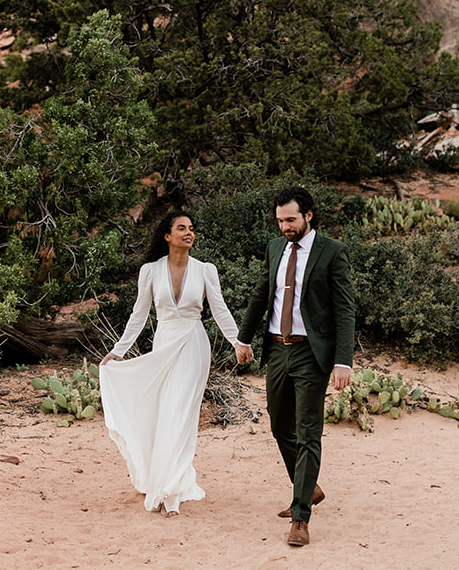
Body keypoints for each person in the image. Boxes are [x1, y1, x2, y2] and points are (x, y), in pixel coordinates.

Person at [100, 210, 253, 516]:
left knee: (182, 412)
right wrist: (118, 351)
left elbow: (220, 311)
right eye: (181, 228)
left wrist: (238, 341)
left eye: (191, 228)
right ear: (167, 236)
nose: (188, 233)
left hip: (194, 345)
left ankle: (171, 492)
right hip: (164, 345)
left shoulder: (206, 270)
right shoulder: (150, 271)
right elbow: (139, 315)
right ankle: (165, 480)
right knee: (166, 412)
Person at [238, 186, 355, 548]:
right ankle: (310, 486)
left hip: (311, 353)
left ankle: (301, 516)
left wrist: (343, 361)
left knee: (308, 433)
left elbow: (344, 309)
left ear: (309, 216)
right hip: (277, 348)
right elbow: (263, 294)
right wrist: (244, 338)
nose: (285, 227)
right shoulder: (275, 248)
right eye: (279, 221)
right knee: (278, 423)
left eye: (290, 220)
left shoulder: (332, 252)